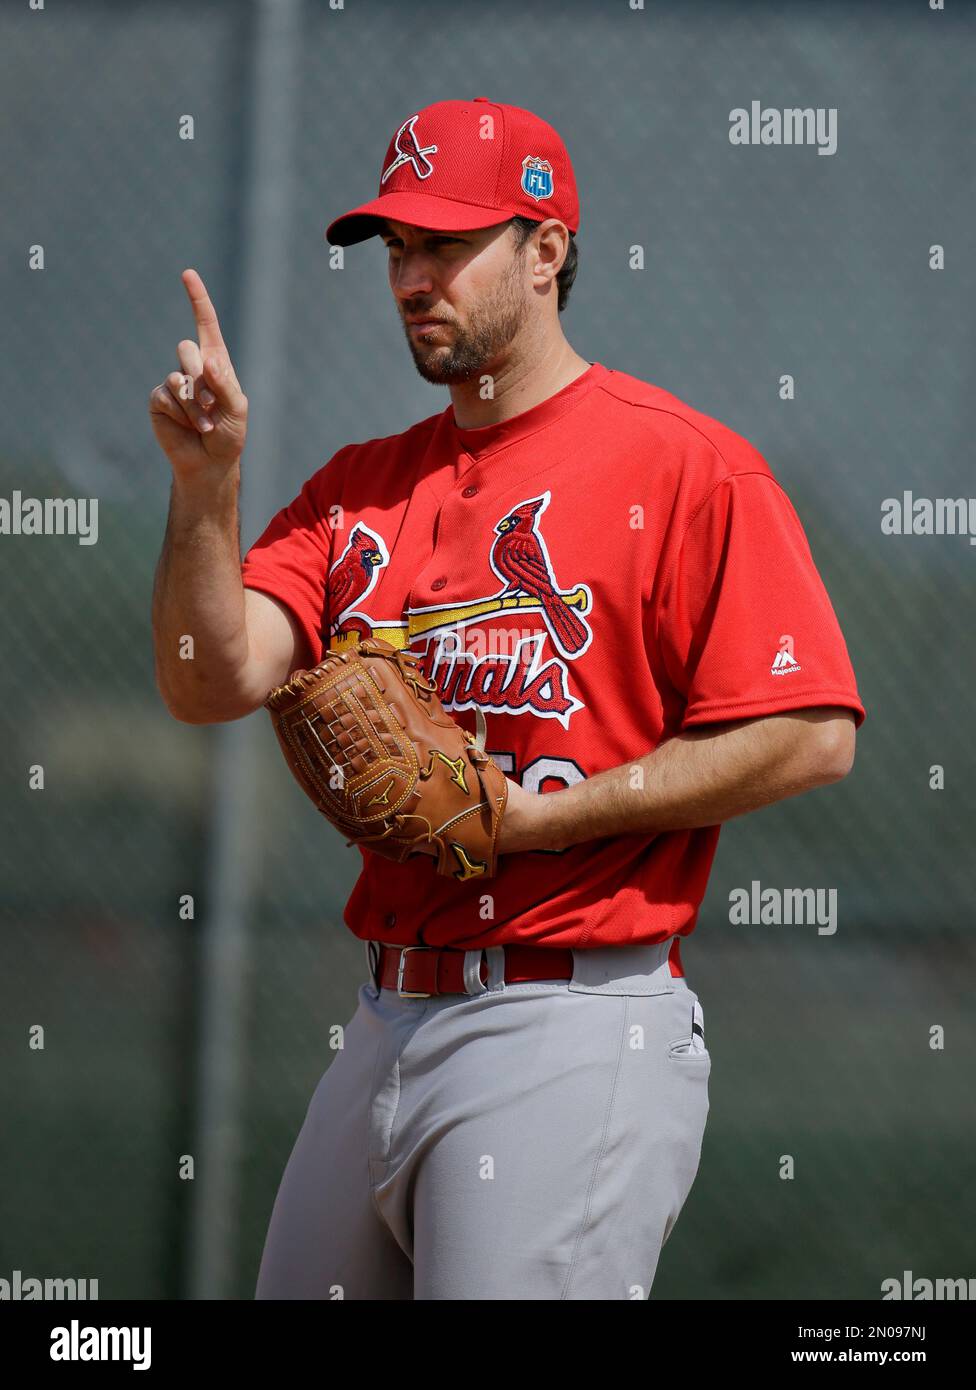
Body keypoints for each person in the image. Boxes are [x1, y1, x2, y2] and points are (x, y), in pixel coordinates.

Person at [150, 98, 865, 1301]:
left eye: (444, 244)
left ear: (546, 250)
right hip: (381, 1016)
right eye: (396, 250)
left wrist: (544, 821)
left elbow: (811, 733)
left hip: (567, 1027)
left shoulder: (683, 467)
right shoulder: (355, 489)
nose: (410, 278)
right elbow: (207, 677)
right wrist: (206, 488)